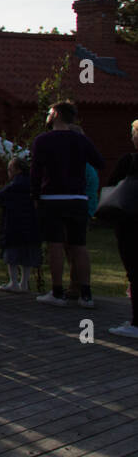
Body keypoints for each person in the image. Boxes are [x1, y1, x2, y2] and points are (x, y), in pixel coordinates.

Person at [31, 101, 104, 308]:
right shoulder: (80, 140)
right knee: (79, 245)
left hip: (52, 198)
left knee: (55, 244)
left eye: (48, 112)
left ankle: (57, 292)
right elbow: (100, 162)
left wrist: (35, 196)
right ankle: (86, 294)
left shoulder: (43, 140)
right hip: (78, 199)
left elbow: (35, 172)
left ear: (55, 114)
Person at [104, 120, 138, 337]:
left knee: (135, 270)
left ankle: (136, 323)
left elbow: (111, 184)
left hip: (131, 223)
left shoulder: (130, 161)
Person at [0, 155, 40, 292]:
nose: (8, 172)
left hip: (13, 224)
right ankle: (24, 283)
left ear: (17, 170)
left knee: (12, 255)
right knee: (28, 254)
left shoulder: (14, 185)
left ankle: (13, 282)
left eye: (10, 169)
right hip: (32, 224)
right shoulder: (33, 183)